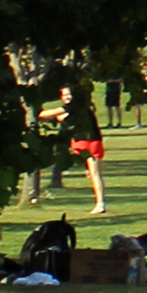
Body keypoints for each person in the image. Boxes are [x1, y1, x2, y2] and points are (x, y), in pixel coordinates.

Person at [43, 84, 108, 214]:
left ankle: (100, 203)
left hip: (86, 142)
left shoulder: (72, 106)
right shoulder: (81, 108)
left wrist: (38, 114)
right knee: (94, 174)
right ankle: (100, 201)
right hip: (95, 141)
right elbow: (62, 118)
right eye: (63, 95)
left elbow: (49, 114)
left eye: (68, 94)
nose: (66, 97)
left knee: (95, 174)